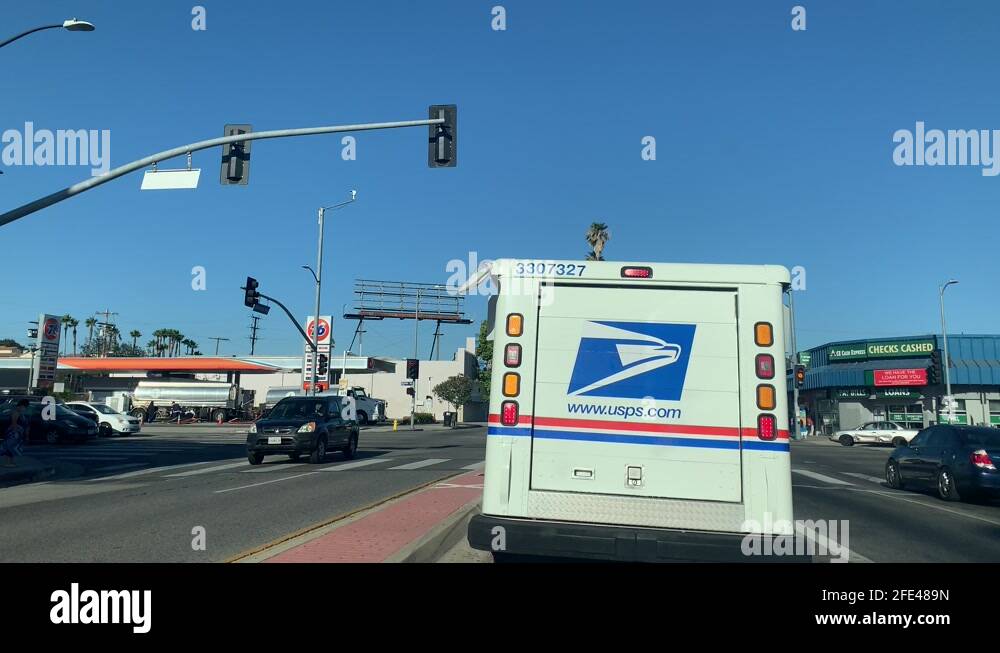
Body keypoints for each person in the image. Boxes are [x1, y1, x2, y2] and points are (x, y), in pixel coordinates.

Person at [2, 399, 30, 468]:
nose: (25, 409)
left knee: (13, 448)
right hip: (13, 433)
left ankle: (11, 461)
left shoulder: (20, 413)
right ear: (21, 406)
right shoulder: (16, 412)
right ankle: (7, 462)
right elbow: (13, 423)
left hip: (17, 433)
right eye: (25, 407)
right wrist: (15, 432)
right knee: (9, 447)